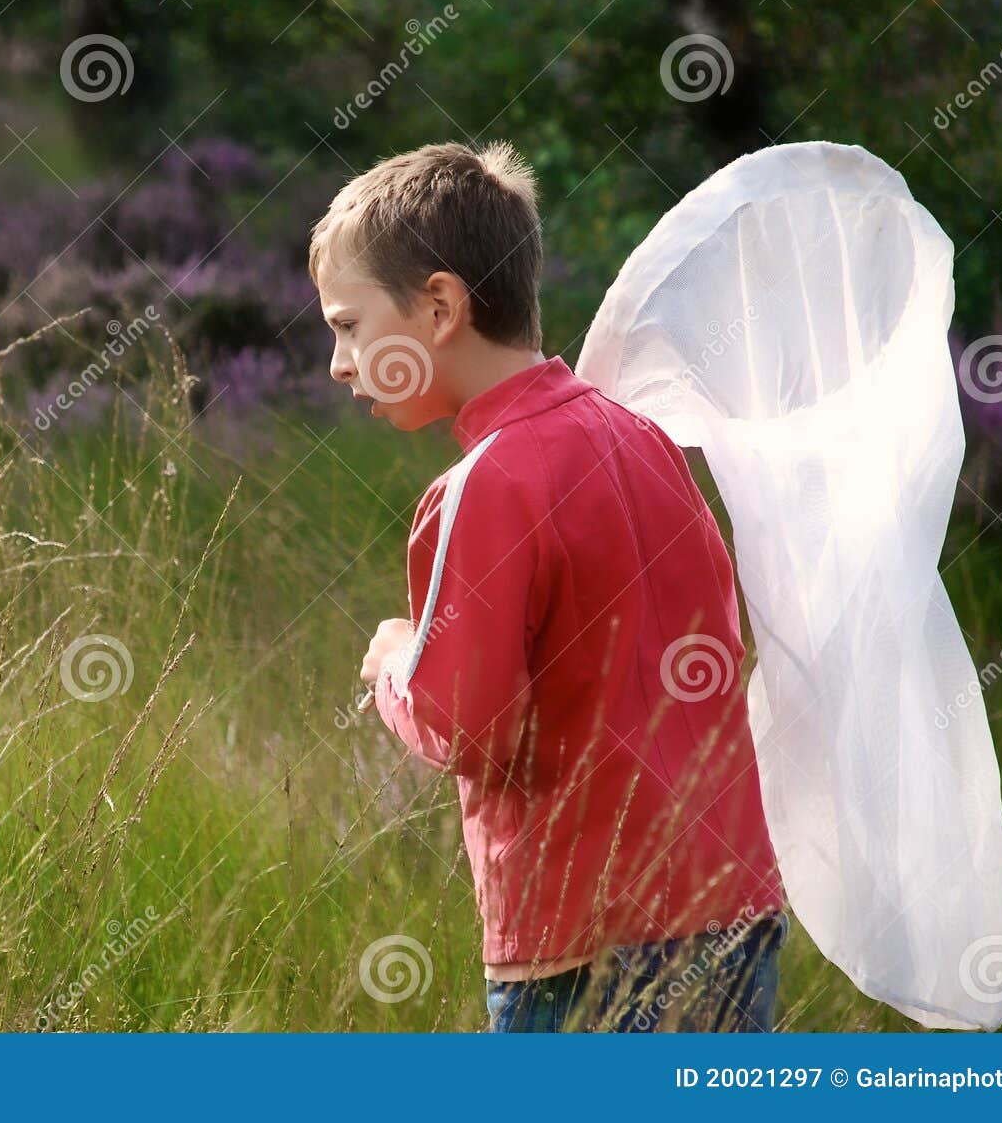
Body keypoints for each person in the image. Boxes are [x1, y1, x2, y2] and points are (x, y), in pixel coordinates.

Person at [308, 140, 789, 1032]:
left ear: (441, 307)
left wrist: (392, 663)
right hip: (736, 896)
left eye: (346, 324)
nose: (337, 361)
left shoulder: (480, 486)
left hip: (587, 932)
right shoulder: (640, 436)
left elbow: (470, 729)